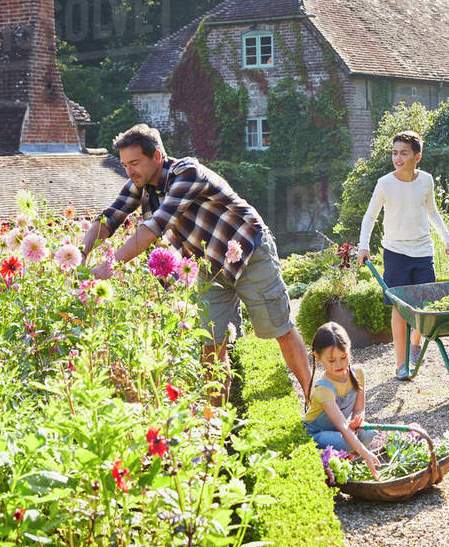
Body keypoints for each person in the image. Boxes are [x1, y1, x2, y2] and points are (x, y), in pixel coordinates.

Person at [80, 124, 311, 403]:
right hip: (209, 267)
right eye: (126, 165)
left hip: (248, 251)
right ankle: (215, 426)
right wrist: (80, 255)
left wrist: (110, 264)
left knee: (280, 329)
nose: (130, 171)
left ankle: (315, 402)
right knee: (211, 348)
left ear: (157, 156)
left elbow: (154, 226)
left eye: (135, 163)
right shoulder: (138, 185)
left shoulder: (187, 172)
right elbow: (109, 219)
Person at [356, 130, 449, 379]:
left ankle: (415, 343)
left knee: (422, 305)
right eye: (395, 153)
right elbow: (370, 216)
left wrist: (447, 239)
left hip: (423, 251)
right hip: (396, 252)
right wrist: (363, 245)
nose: (398, 158)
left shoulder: (426, 181)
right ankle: (401, 364)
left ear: (417, 156)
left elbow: (432, 212)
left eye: (404, 153)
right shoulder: (385, 184)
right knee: (399, 309)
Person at [304, 322, 380, 479]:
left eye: (344, 357)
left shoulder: (358, 373)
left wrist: (356, 422)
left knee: (369, 433)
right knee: (346, 442)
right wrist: (365, 452)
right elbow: (343, 428)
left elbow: (359, 409)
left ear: (349, 350)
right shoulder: (324, 387)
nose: (339, 364)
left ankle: (344, 455)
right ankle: (338, 455)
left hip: (338, 428)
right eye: (331, 361)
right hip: (315, 433)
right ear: (317, 357)